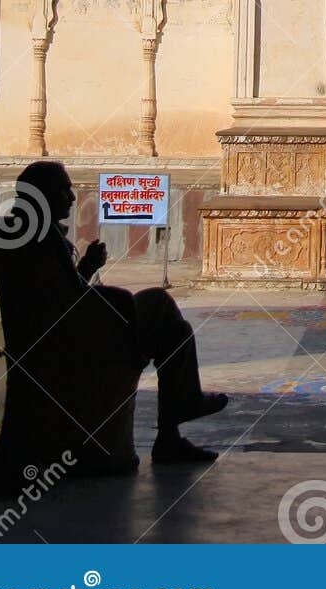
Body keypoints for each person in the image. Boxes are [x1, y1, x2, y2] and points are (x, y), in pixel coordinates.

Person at [12, 161, 228, 465]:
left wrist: (87, 268)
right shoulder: (40, 241)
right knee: (162, 311)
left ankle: (172, 433)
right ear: (42, 195)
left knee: (173, 328)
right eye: (63, 190)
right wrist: (98, 283)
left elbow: (63, 295)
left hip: (70, 328)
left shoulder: (35, 235)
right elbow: (63, 303)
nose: (71, 198)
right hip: (69, 339)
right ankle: (177, 421)